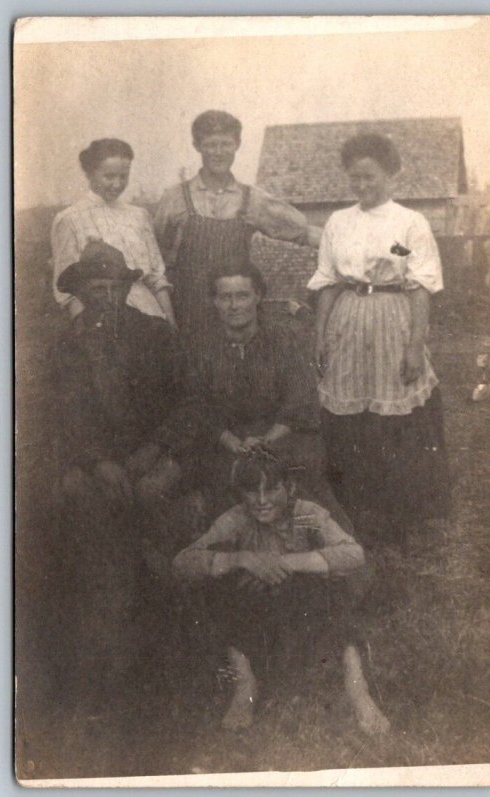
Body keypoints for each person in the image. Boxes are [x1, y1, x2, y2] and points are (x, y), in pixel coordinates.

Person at [54, 240, 188, 712]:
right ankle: (107, 631)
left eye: (114, 287)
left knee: (154, 500)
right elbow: (67, 415)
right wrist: (97, 461)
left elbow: (187, 403)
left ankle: (170, 628)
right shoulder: (69, 344)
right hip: (101, 460)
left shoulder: (155, 333)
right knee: (80, 496)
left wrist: (153, 451)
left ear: (125, 289)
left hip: (155, 454)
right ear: (84, 293)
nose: (106, 297)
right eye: (96, 289)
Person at [172, 449, 390, 735]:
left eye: (272, 489)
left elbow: (354, 554)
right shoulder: (237, 520)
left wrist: (286, 563)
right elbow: (181, 563)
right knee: (221, 587)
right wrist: (242, 559)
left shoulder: (304, 516)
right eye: (252, 491)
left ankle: (357, 687)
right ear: (241, 494)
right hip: (256, 610)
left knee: (332, 592)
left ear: (289, 488)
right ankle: (244, 680)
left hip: (304, 604)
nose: (262, 501)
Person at [308, 132, 450, 534]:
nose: (362, 186)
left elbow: (419, 283)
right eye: (355, 178)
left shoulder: (408, 223)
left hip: (393, 316)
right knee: (349, 414)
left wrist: (414, 346)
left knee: (394, 413)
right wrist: (320, 337)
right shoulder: (338, 222)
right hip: (347, 318)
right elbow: (330, 281)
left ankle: (401, 511)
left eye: (370, 177)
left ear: (391, 175)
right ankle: (356, 506)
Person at [156, 256, 354, 530]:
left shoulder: (284, 339)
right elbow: (195, 404)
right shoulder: (201, 347)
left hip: (281, 436)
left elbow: (300, 399)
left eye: (242, 296)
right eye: (225, 297)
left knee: (300, 473)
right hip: (225, 440)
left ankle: (315, 541)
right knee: (215, 481)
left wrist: (265, 441)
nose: (234, 306)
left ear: (258, 296)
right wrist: (231, 442)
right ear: (214, 301)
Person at [153, 110, 321, 338]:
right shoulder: (175, 198)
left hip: (236, 314)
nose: (219, 152)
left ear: (237, 145)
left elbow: (303, 232)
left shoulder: (252, 198)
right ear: (197, 146)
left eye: (226, 144)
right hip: (187, 312)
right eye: (211, 145)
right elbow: (157, 256)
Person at [51, 138, 175, 326]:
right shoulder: (69, 219)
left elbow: (156, 277)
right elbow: (67, 292)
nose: (117, 184)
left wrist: (170, 324)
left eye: (123, 176)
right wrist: (87, 332)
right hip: (102, 321)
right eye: (109, 176)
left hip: (150, 319)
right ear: (90, 174)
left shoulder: (139, 216)